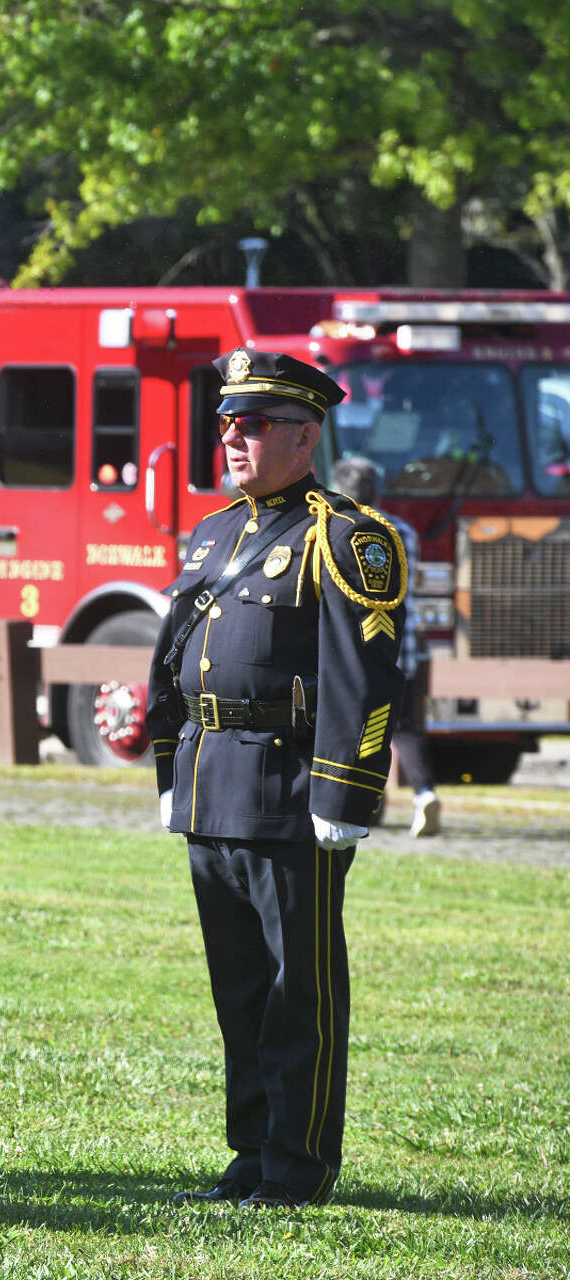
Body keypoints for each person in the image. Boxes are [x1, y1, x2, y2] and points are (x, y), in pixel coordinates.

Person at [147, 348, 406, 1210]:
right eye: (225, 424)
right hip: (213, 783)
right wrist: (163, 761)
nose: (231, 438)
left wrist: (345, 795)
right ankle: (252, 1152)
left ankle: (299, 1166)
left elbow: (361, 677)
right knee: (241, 991)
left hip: (293, 791)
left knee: (301, 993)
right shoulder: (216, 532)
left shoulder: (344, 536)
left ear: (304, 436)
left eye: (251, 425)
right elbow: (174, 656)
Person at [331, 455, 439, 836]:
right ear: (376, 489)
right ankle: (424, 794)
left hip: (353, 651)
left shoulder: (335, 531)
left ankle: (367, 802)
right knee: (406, 729)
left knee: (360, 729)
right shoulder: (404, 531)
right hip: (401, 646)